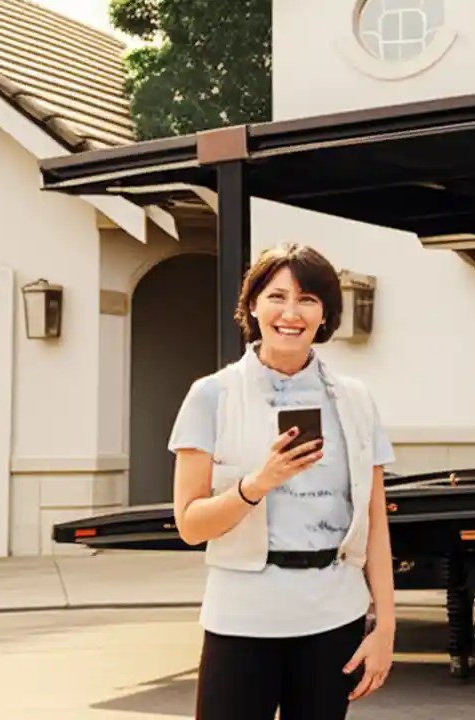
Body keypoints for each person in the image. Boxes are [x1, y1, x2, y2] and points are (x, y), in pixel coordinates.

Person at [168, 242, 397, 719]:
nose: (291, 313)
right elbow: (190, 525)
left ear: (325, 315)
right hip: (242, 618)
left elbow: (376, 520)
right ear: (253, 305)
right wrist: (259, 483)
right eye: (277, 296)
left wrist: (386, 627)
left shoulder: (355, 400)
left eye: (308, 300)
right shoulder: (211, 395)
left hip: (333, 617)